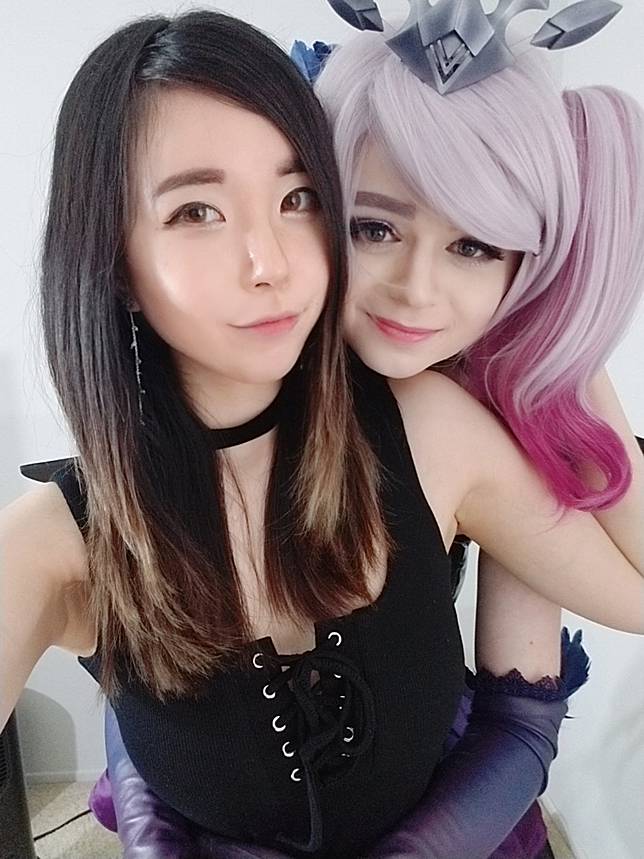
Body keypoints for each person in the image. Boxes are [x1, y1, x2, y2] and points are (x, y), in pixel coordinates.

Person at [3, 7, 643, 859]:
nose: (269, 260)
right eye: (196, 211)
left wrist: (560, 339)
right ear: (112, 257)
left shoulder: (433, 430)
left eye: (297, 198)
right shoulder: (51, 545)